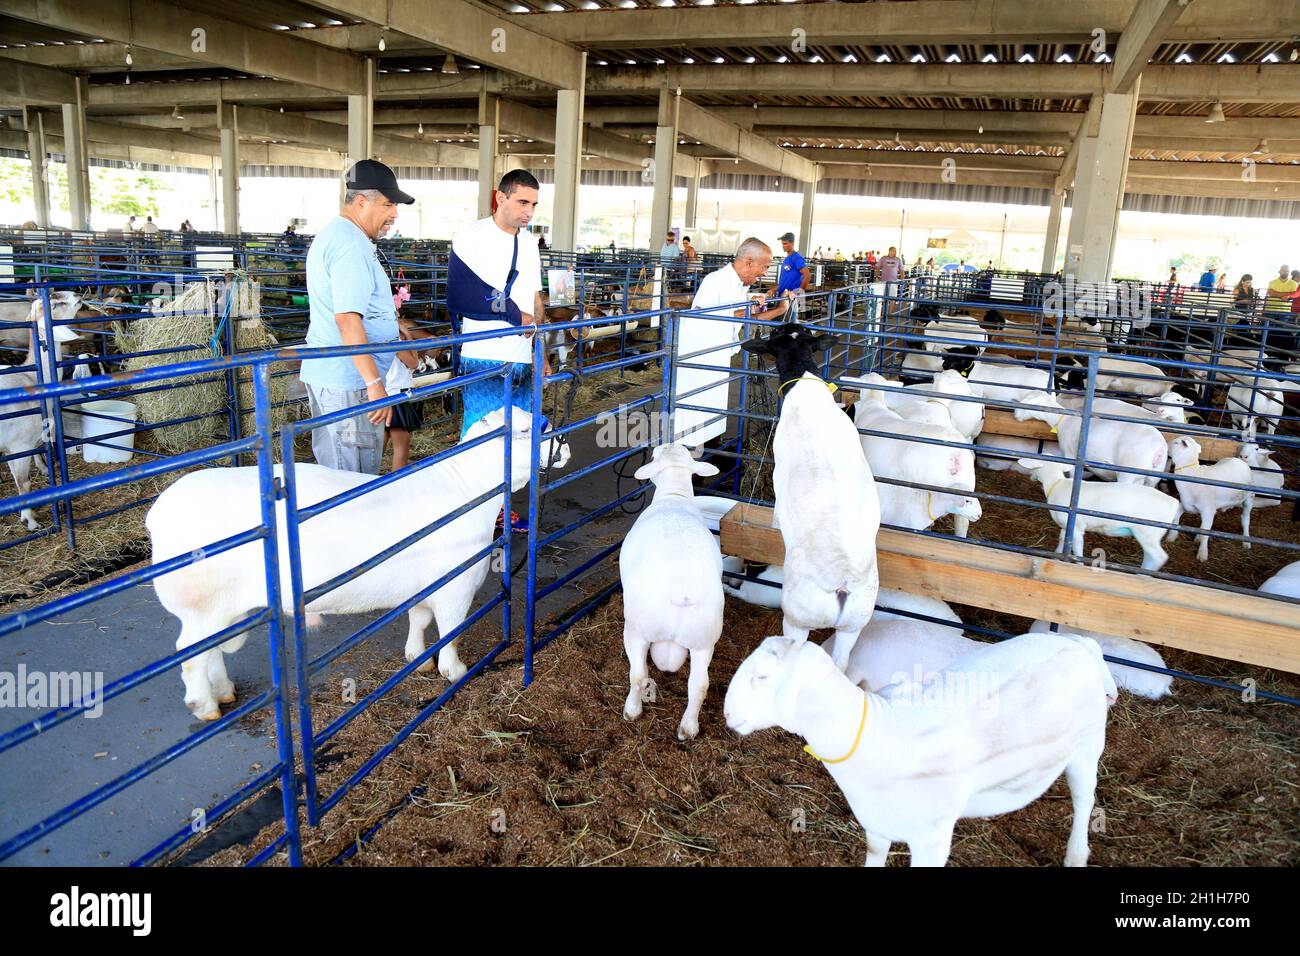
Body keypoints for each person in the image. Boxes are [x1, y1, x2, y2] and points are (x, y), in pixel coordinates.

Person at [446, 169, 549, 529]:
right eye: (522, 202)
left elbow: (535, 300)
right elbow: (459, 294)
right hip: (483, 354)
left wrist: (542, 352)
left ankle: (499, 506)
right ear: (500, 198)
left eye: (534, 204)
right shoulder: (472, 236)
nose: (529, 211)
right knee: (480, 434)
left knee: (515, 438)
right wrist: (511, 314)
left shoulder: (530, 243)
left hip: (521, 357)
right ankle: (470, 509)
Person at [298, 159, 413, 475]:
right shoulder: (350, 244)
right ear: (361, 202)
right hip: (348, 383)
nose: (394, 214)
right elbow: (347, 319)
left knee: (343, 469)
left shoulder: (342, 236)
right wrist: (374, 383)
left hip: (342, 376)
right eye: (388, 204)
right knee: (350, 476)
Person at [675, 238, 791, 447]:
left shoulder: (740, 286)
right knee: (693, 415)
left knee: (713, 414)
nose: (764, 273)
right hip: (698, 361)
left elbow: (744, 319)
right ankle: (687, 463)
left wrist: (780, 309)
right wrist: (750, 307)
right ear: (748, 262)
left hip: (718, 358)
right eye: (764, 267)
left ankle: (706, 459)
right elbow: (707, 317)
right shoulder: (716, 281)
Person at [773, 231, 810, 304]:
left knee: (790, 314)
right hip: (783, 296)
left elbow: (807, 275)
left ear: (792, 243)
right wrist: (772, 290)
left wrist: (799, 292)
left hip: (790, 297)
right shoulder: (787, 259)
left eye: (785, 243)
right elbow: (784, 281)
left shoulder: (796, 257)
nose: (783, 246)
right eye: (782, 244)